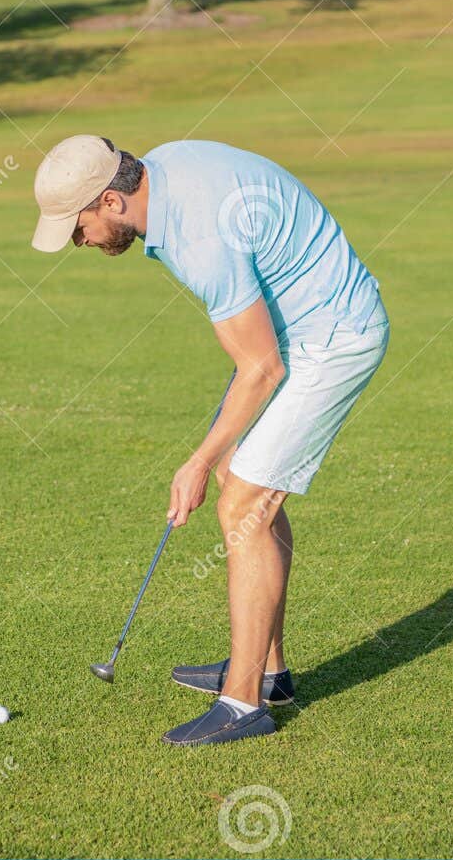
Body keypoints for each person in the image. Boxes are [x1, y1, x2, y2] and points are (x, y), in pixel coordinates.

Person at [30, 136, 390, 746]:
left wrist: (196, 460)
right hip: (296, 330)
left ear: (112, 201)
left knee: (243, 502)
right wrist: (216, 454)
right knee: (239, 477)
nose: (79, 241)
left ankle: (244, 703)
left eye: (77, 227)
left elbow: (261, 367)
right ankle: (269, 673)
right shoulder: (168, 169)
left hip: (334, 339)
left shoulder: (197, 238)